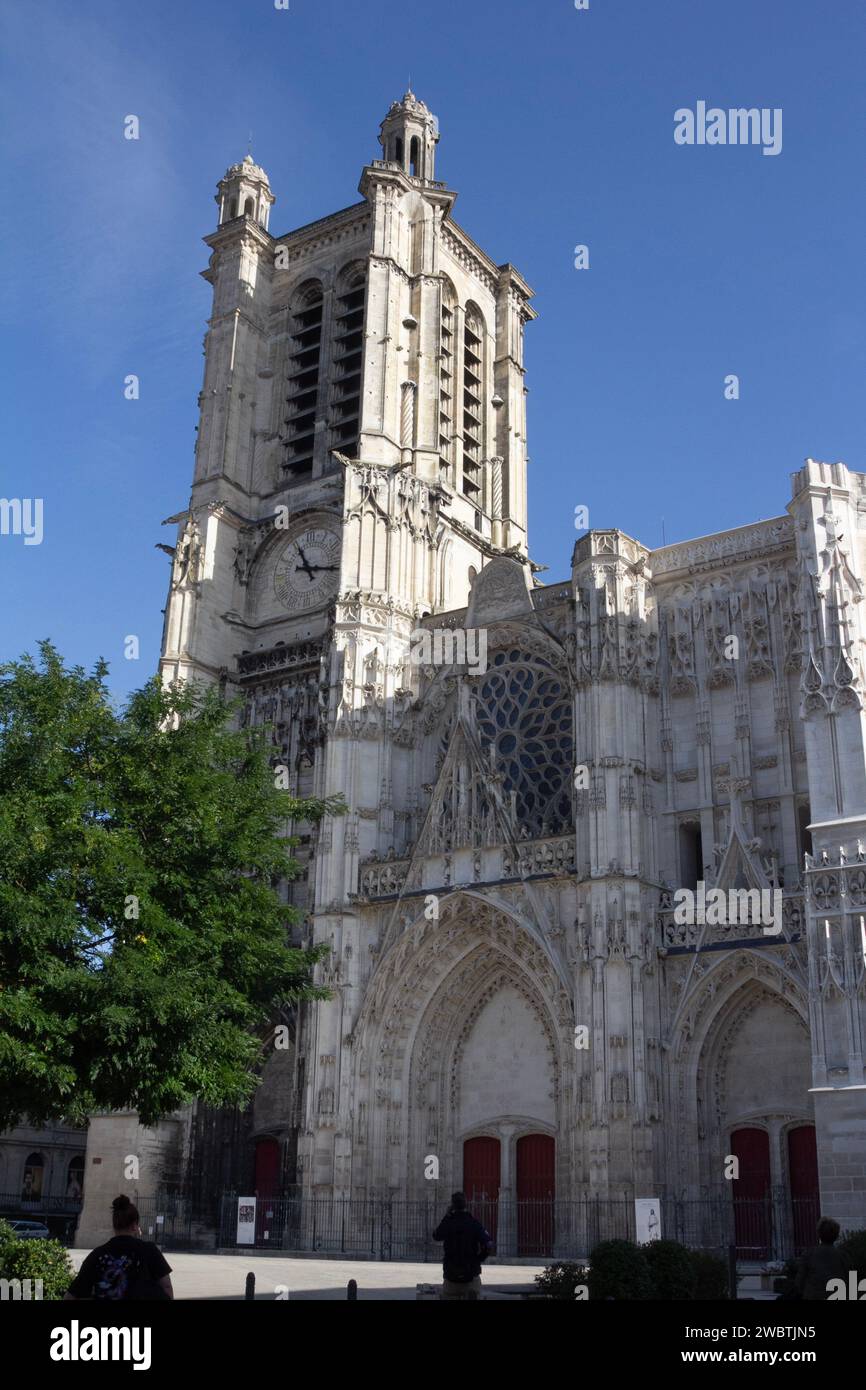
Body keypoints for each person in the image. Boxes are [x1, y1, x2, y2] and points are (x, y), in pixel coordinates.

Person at [64, 1195, 173, 1301]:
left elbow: (72, 1294)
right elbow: (166, 1286)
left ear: (114, 1225)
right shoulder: (150, 1250)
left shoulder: (97, 1254)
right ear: (135, 1225)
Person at [433, 1192, 493, 1300]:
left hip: (451, 1278)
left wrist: (447, 1216)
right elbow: (488, 1244)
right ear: (465, 1204)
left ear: (452, 1205)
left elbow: (436, 1235)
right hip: (471, 1278)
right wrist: (478, 1259)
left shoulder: (448, 1223)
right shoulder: (473, 1223)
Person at [795, 1217, 850, 1301]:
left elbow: (799, 1281)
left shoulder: (808, 1254)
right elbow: (850, 1279)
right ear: (836, 1236)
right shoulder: (843, 1256)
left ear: (819, 1234)